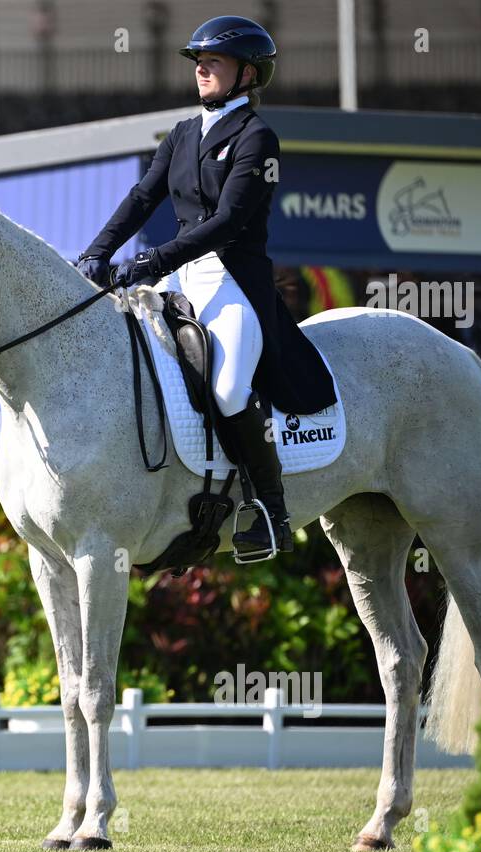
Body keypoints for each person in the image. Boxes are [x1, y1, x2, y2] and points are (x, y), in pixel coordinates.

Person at [76, 15, 335, 558]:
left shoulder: (257, 137)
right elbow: (143, 196)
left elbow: (230, 220)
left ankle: (269, 509)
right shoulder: (184, 132)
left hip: (233, 280)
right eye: (198, 62)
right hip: (181, 276)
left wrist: (151, 259)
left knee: (227, 389)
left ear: (246, 74)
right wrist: (99, 250)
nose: (200, 70)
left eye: (212, 62)